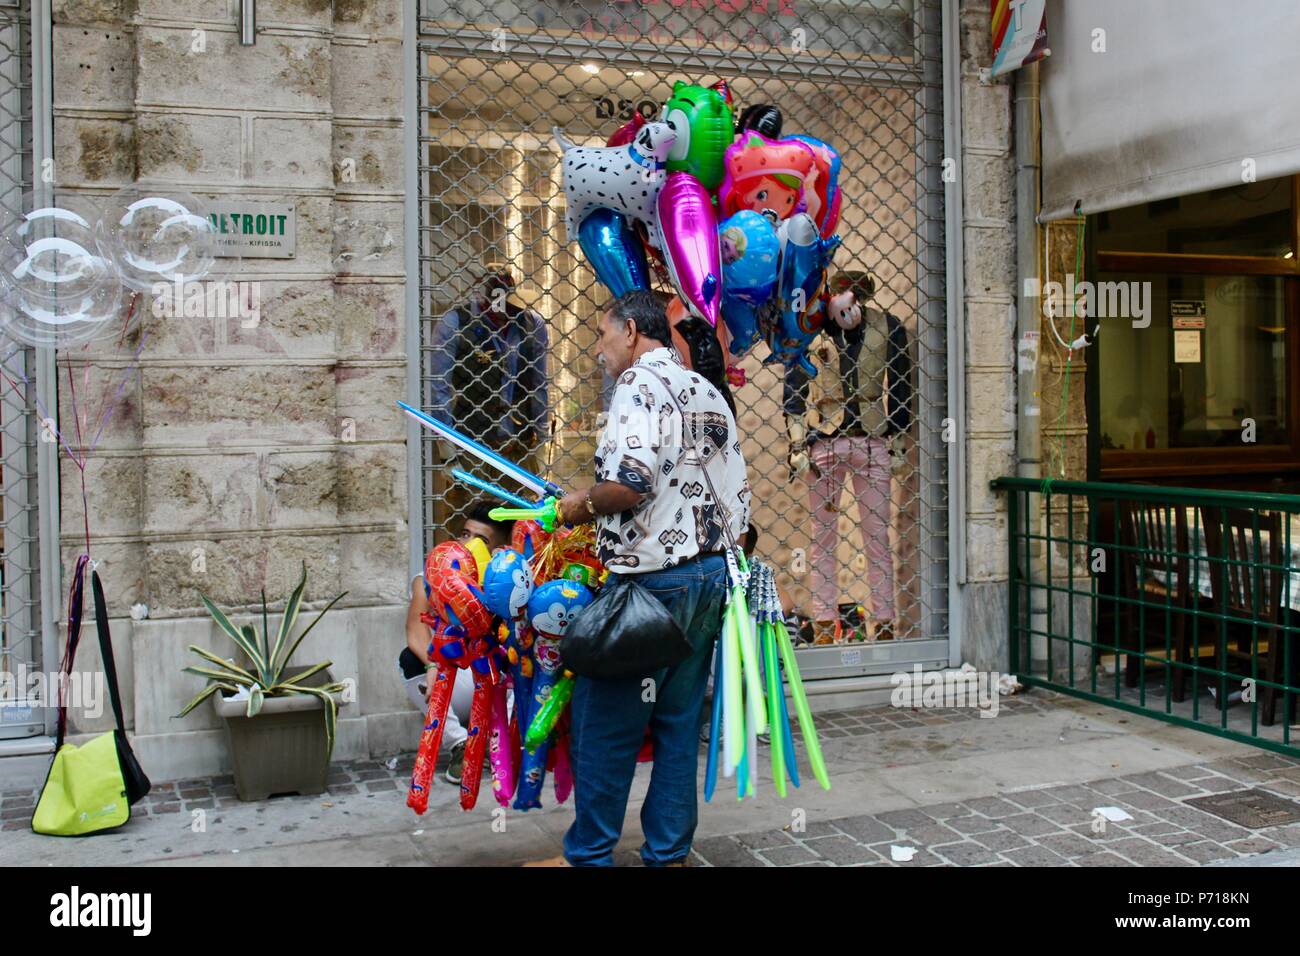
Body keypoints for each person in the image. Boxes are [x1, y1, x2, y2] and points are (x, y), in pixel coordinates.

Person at [542, 289, 751, 867]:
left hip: (652, 585)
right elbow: (735, 491)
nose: (598, 351)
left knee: (604, 725)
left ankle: (588, 855)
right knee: (679, 725)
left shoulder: (636, 385)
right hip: (711, 577)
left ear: (632, 331)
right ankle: (668, 853)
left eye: (603, 336)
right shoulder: (705, 388)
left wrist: (574, 506)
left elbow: (629, 485)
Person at [783, 270, 912, 644]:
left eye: (854, 299)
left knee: (877, 536)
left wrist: (898, 440)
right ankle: (824, 623)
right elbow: (795, 383)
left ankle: (885, 622)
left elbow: (901, 386)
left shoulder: (888, 327)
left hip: (873, 439)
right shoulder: (812, 329)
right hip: (825, 437)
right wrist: (796, 443)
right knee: (821, 537)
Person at [398, 502, 514, 785]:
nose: (467, 545)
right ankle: (460, 745)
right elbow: (415, 630)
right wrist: (432, 664)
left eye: (481, 541)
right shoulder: (431, 578)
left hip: (497, 683)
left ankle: (498, 739)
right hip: (452, 682)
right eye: (464, 534)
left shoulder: (508, 581)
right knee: (407, 659)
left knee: (518, 655)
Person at [428, 264, 550, 525]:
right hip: (472, 443)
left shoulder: (532, 324)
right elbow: (438, 386)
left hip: (518, 444)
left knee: (522, 521)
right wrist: (447, 449)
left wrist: (541, 437)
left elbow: (540, 383)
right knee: (470, 522)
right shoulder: (455, 322)